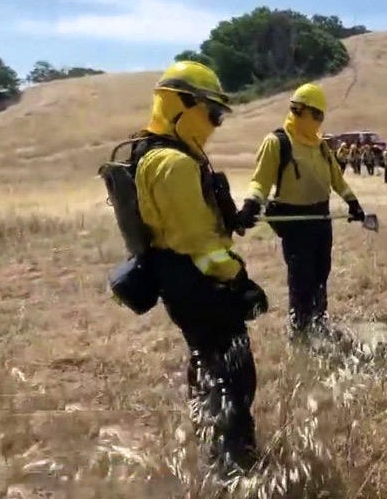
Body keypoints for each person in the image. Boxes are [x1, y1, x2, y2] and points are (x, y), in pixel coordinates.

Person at [132, 61, 267, 472]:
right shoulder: (173, 164)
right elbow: (198, 244)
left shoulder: (161, 152)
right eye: (214, 113)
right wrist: (239, 280)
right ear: (183, 104)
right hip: (195, 280)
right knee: (232, 374)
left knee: (208, 364)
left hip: (181, 277)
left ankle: (218, 450)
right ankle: (234, 464)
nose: (216, 124)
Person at [235, 83, 365, 338]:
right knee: (301, 277)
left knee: (321, 272)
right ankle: (301, 329)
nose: (318, 120)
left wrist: (353, 203)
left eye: (321, 116)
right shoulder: (277, 142)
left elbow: (337, 179)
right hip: (295, 222)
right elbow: (260, 181)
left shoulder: (320, 146)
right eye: (315, 114)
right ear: (299, 110)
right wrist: (251, 205)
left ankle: (319, 321)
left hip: (321, 218)